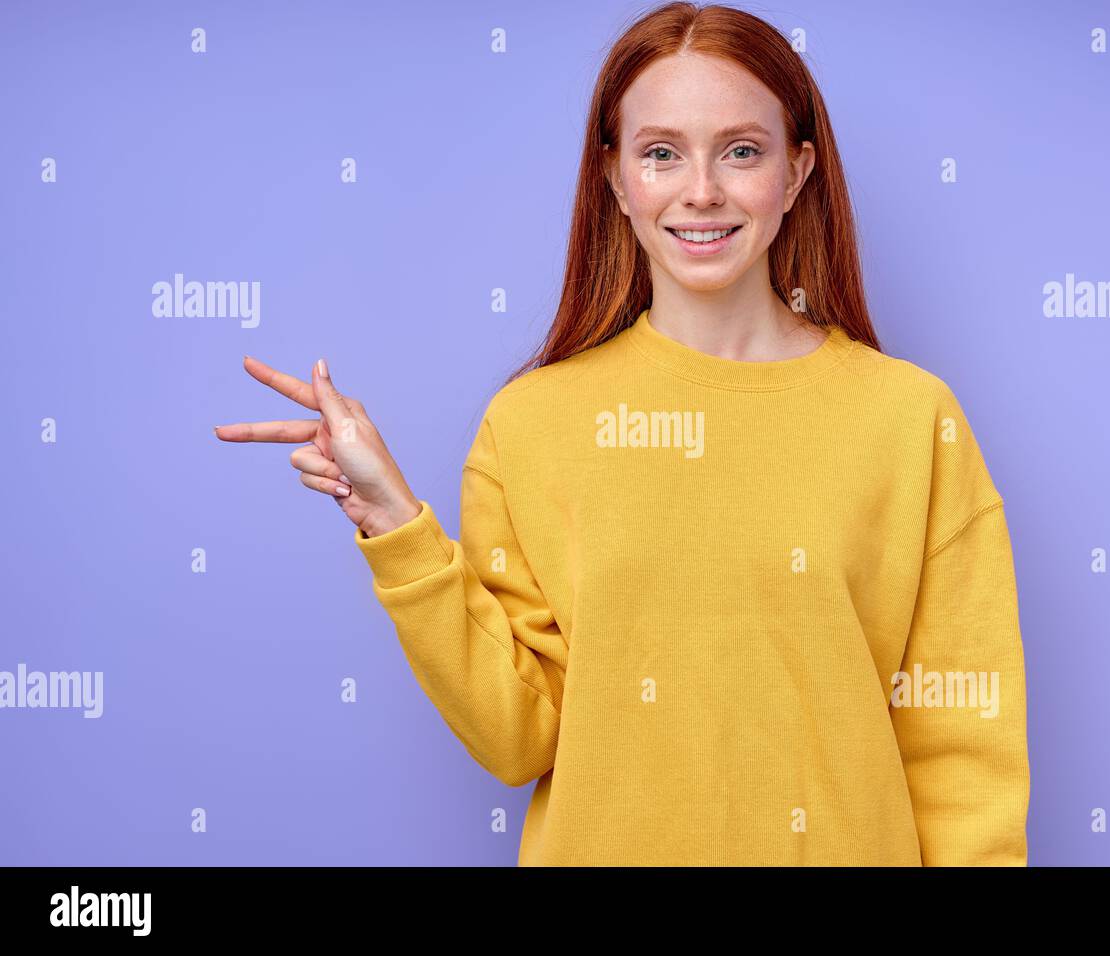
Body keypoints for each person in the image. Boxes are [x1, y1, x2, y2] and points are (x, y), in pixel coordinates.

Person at [215, 1, 1029, 866]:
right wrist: (394, 523)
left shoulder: (909, 419)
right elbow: (519, 736)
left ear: (796, 174)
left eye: (742, 151)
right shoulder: (530, 424)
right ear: (614, 178)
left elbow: (963, 753)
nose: (702, 189)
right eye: (661, 153)